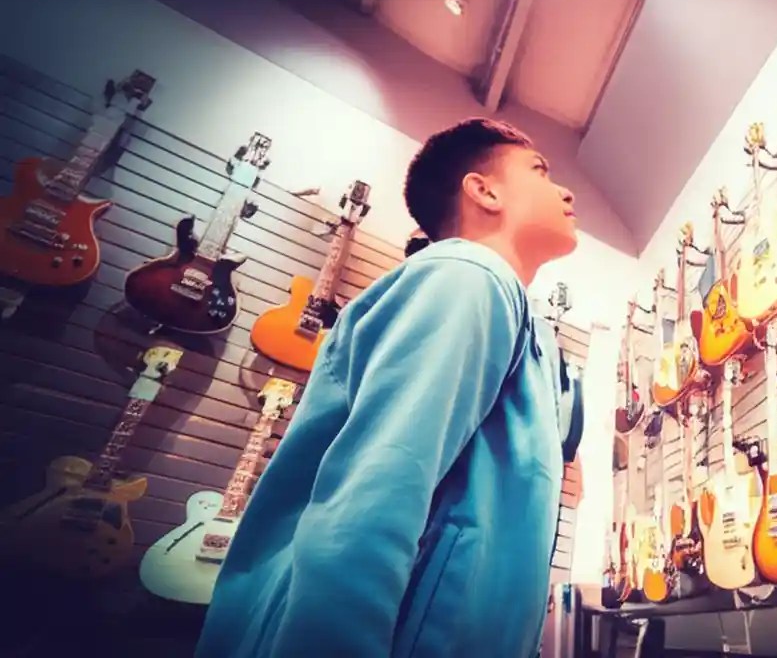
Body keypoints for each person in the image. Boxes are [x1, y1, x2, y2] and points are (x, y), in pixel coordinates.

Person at [196, 117, 578, 657]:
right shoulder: (467, 276)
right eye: (540, 171)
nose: (566, 190)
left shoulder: (505, 306)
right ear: (483, 190)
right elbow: (378, 490)